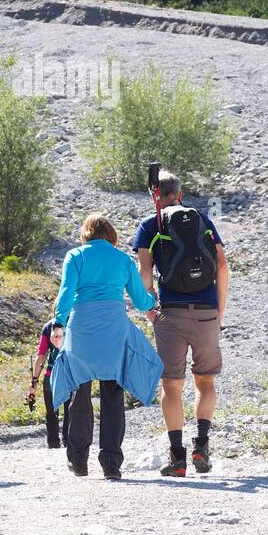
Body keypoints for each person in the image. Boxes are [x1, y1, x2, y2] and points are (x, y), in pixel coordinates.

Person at [49, 213, 161, 480]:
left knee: (80, 392)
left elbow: (66, 291)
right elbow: (140, 301)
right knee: (113, 393)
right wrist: (153, 298)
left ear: (86, 234)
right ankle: (111, 463)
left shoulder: (75, 256)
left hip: (82, 329)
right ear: (111, 235)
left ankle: (78, 460)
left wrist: (58, 323)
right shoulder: (122, 259)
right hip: (113, 329)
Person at [133, 170, 230, 478]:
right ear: (179, 192)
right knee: (206, 381)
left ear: (154, 195)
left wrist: (151, 310)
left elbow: (145, 273)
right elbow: (223, 265)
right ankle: (201, 445)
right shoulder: (203, 220)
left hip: (170, 314)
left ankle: (177, 459)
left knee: (171, 386)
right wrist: (220, 311)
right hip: (207, 314)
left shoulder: (150, 225)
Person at [26, 321, 68, 448]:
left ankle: (53, 443)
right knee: (70, 409)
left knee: (51, 412)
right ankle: (68, 441)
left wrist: (34, 380)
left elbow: (42, 354)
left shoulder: (48, 327)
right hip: (70, 374)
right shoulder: (73, 321)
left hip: (51, 374)